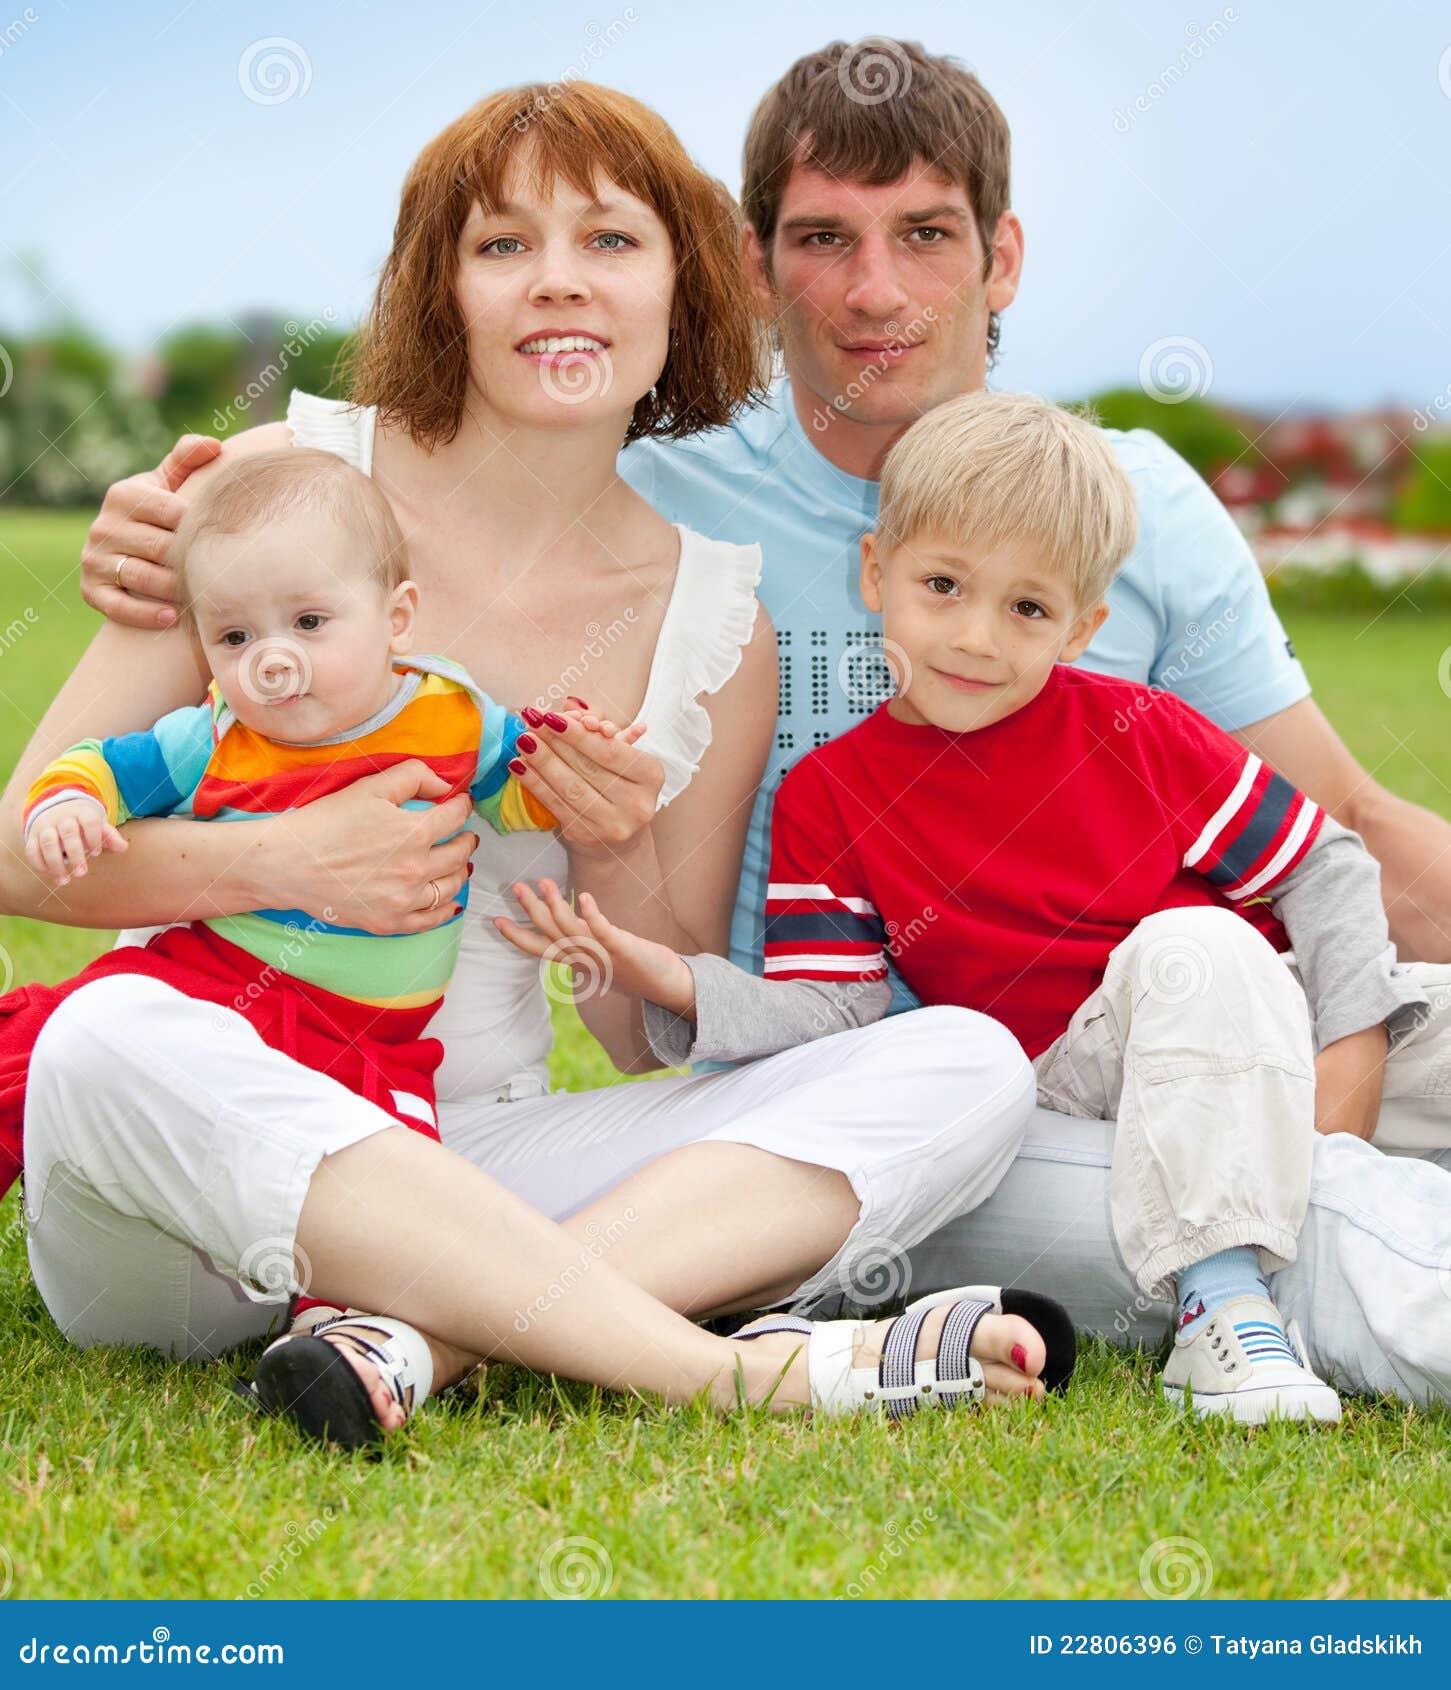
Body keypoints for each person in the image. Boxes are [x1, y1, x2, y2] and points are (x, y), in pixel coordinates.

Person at [0, 82, 1063, 1447]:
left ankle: (418, 1337)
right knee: (104, 1034)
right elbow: (27, 848)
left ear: (683, 288)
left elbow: (635, 1032)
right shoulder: (269, 482)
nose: (556, 283)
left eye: (610, 242)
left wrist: (611, 853)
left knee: (965, 1064)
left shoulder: (714, 626)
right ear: (439, 291)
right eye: (501, 246)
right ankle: (721, 1367)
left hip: (471, 1148)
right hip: (181, 1187)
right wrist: (276, 858)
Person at [502, 390, 1447, 1423]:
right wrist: (669, 978)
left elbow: (1322, 866)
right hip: (1101, 1059)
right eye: (941, 585)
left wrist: (1351, 1040)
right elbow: (834, 1019)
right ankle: (1223, 1308)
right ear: (877, 573)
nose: (974, 637)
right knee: (1197, 944)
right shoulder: (833, 796)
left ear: (1082, 626)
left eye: (1026, 609)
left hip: (1277, 1013)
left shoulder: (1139, 728)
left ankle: (1323, 1149)